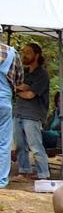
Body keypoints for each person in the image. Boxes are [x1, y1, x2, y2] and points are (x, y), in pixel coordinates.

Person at [13, 42, 50, 181]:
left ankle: (43, 174)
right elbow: (21, 86)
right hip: (19, 112)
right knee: (20, 145)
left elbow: (30, 94)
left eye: (28, 52)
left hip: (33, 115)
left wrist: (16, 89)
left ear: (37, 55)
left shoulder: (42, 74)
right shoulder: (24, 72)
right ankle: (24, 171)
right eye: (23, 52)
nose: (24, 55)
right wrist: (20, 88)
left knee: (35, 146)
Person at [0, 42, 21, 189]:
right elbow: (19, 80)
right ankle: (1, 180)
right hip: (4, 102)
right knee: (4, 142)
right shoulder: (12, 53)